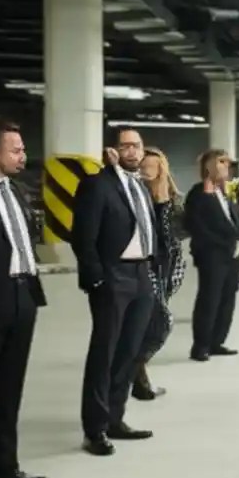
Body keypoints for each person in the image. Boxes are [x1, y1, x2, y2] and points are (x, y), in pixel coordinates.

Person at [72, 128, 158, 455]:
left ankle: (115, 419)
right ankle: (94, 430)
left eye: (137, 145)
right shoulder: (98, 185)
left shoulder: (140, 186)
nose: (132, 151)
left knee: (130, 352)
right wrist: (96, 278)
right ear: (113, 150)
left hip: (141, 274)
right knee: (105, 353)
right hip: (114, 276)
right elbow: (83, 236)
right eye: (125, 146)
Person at [0, 116, 49, 478]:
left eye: (23, 149)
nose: (23, 155)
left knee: (9, 389)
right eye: (15, 150)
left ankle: (2, 468)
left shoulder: (15, 190)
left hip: (23, 297)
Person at [130, 147, 186, 401]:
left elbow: (177, 233)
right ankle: (134, 369)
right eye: (144, 167)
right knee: (162, 322)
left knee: (151, 323)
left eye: (153, 167)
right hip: (147, 268)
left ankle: (139, 377)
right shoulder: (138, 199)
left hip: (169, 268)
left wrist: (165, 203)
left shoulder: (171, 201)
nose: (147, 172)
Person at [184, 149, 239, 362]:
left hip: (231, 256)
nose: (227, 166)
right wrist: (220, 244)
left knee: (227, 299)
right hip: (212, 256)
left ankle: (217, 341)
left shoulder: (223, 192)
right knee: (209, 299)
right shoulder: (199, 194)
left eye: (227, 162)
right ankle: (201, 345)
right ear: (210, 166)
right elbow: (195, 225)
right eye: (221, 162)